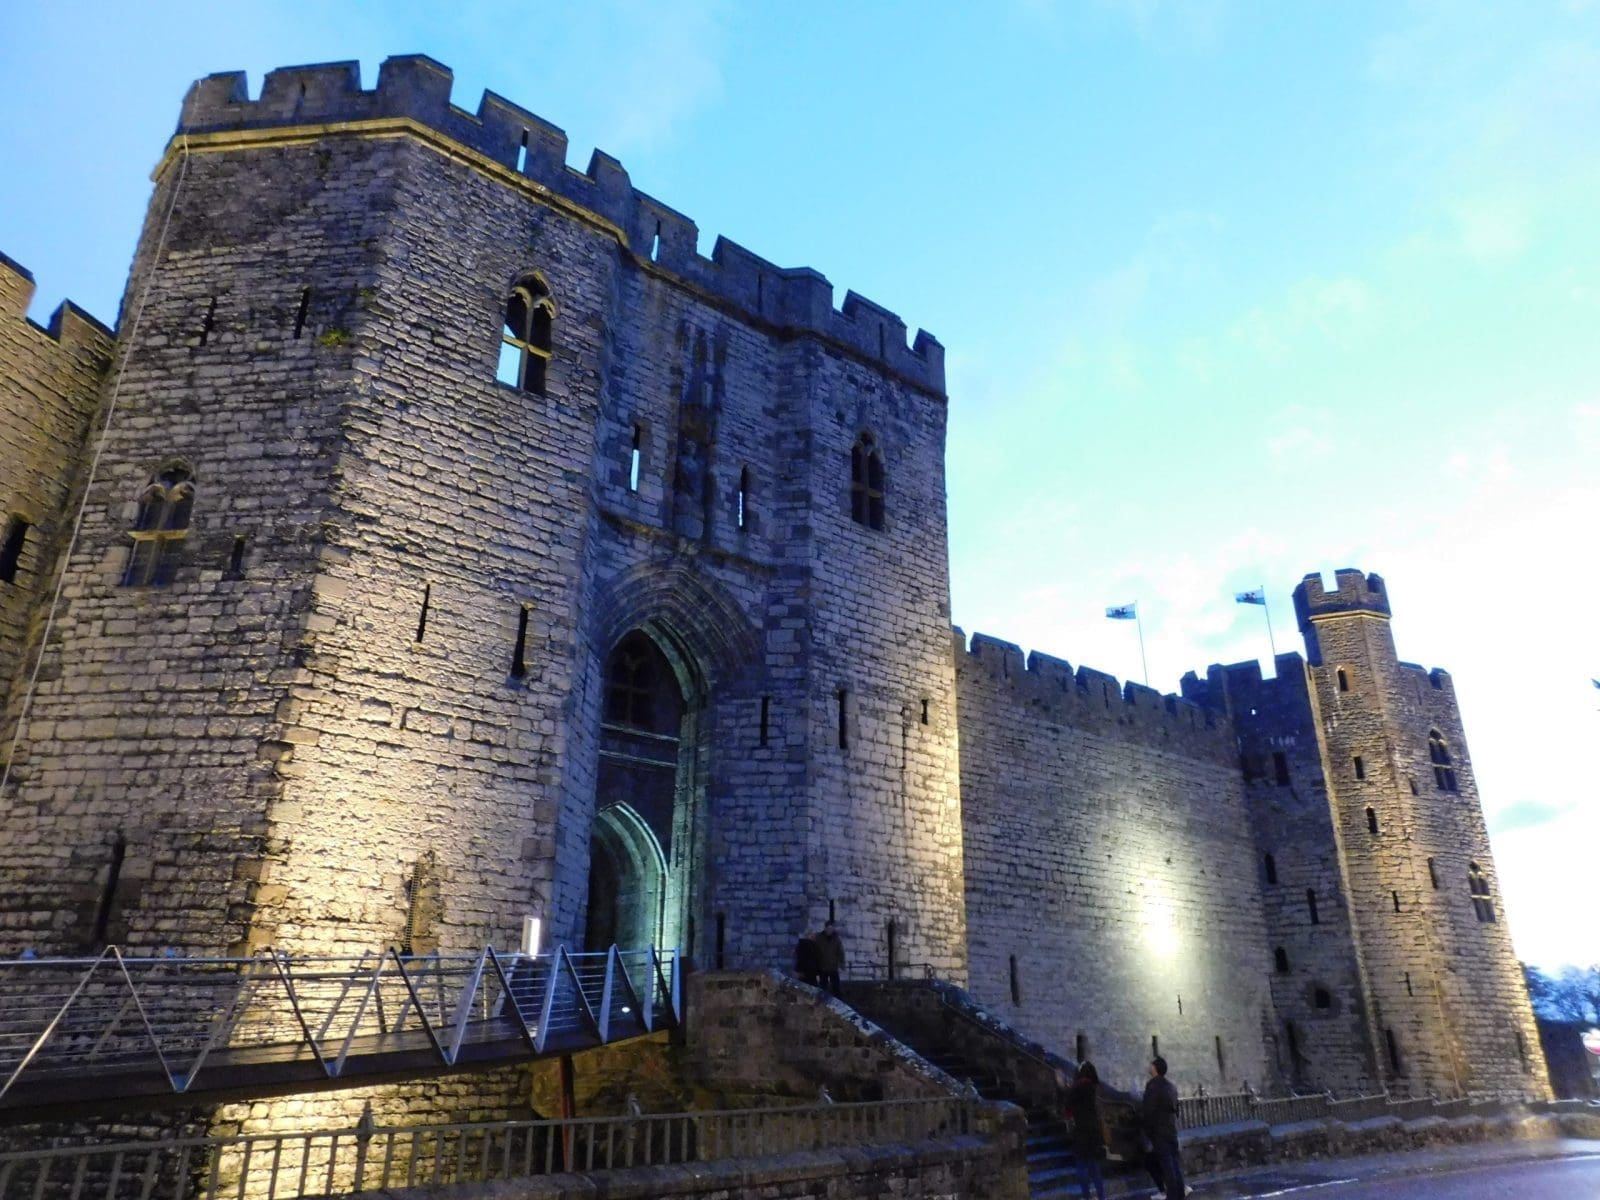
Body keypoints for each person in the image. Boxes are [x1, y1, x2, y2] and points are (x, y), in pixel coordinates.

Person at [1062, 1061, 1108, 1200]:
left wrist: (1064, 1086)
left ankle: (1086, 1196)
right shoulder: (1093, 1087)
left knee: (1081, 1165)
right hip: (1093, 1130)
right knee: (1094, 1166)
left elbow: (1068, 1107)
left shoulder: (1076, 1087)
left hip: (1081, 1130)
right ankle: (1101, 1196)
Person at [1141, 1056, 1185, 1200]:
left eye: (1151, 1064)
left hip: (1158, 1130)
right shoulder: (1170, 1086)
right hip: (1170, 1129)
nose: (1149, 1067)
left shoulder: (1152, 1086)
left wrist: (1147, 1130)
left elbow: (1148, 1109)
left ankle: (1172, 1195)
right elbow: (1176, 1108)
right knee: (1174, 1163)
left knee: (1167, 1165)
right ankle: (1179, 1193)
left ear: (1155, 1068)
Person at [813, 919, 845, 997]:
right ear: (825, 928)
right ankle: (823, 1000)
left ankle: (838, 999)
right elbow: (814, 949)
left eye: (831, 928)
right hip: (822, 966)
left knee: (836, 986)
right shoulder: (818, 938)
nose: (829, 930)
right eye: (828, 928)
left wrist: (842, 964)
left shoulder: (836, 939)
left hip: (833, 966)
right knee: (823, 986)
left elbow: (840, 952)